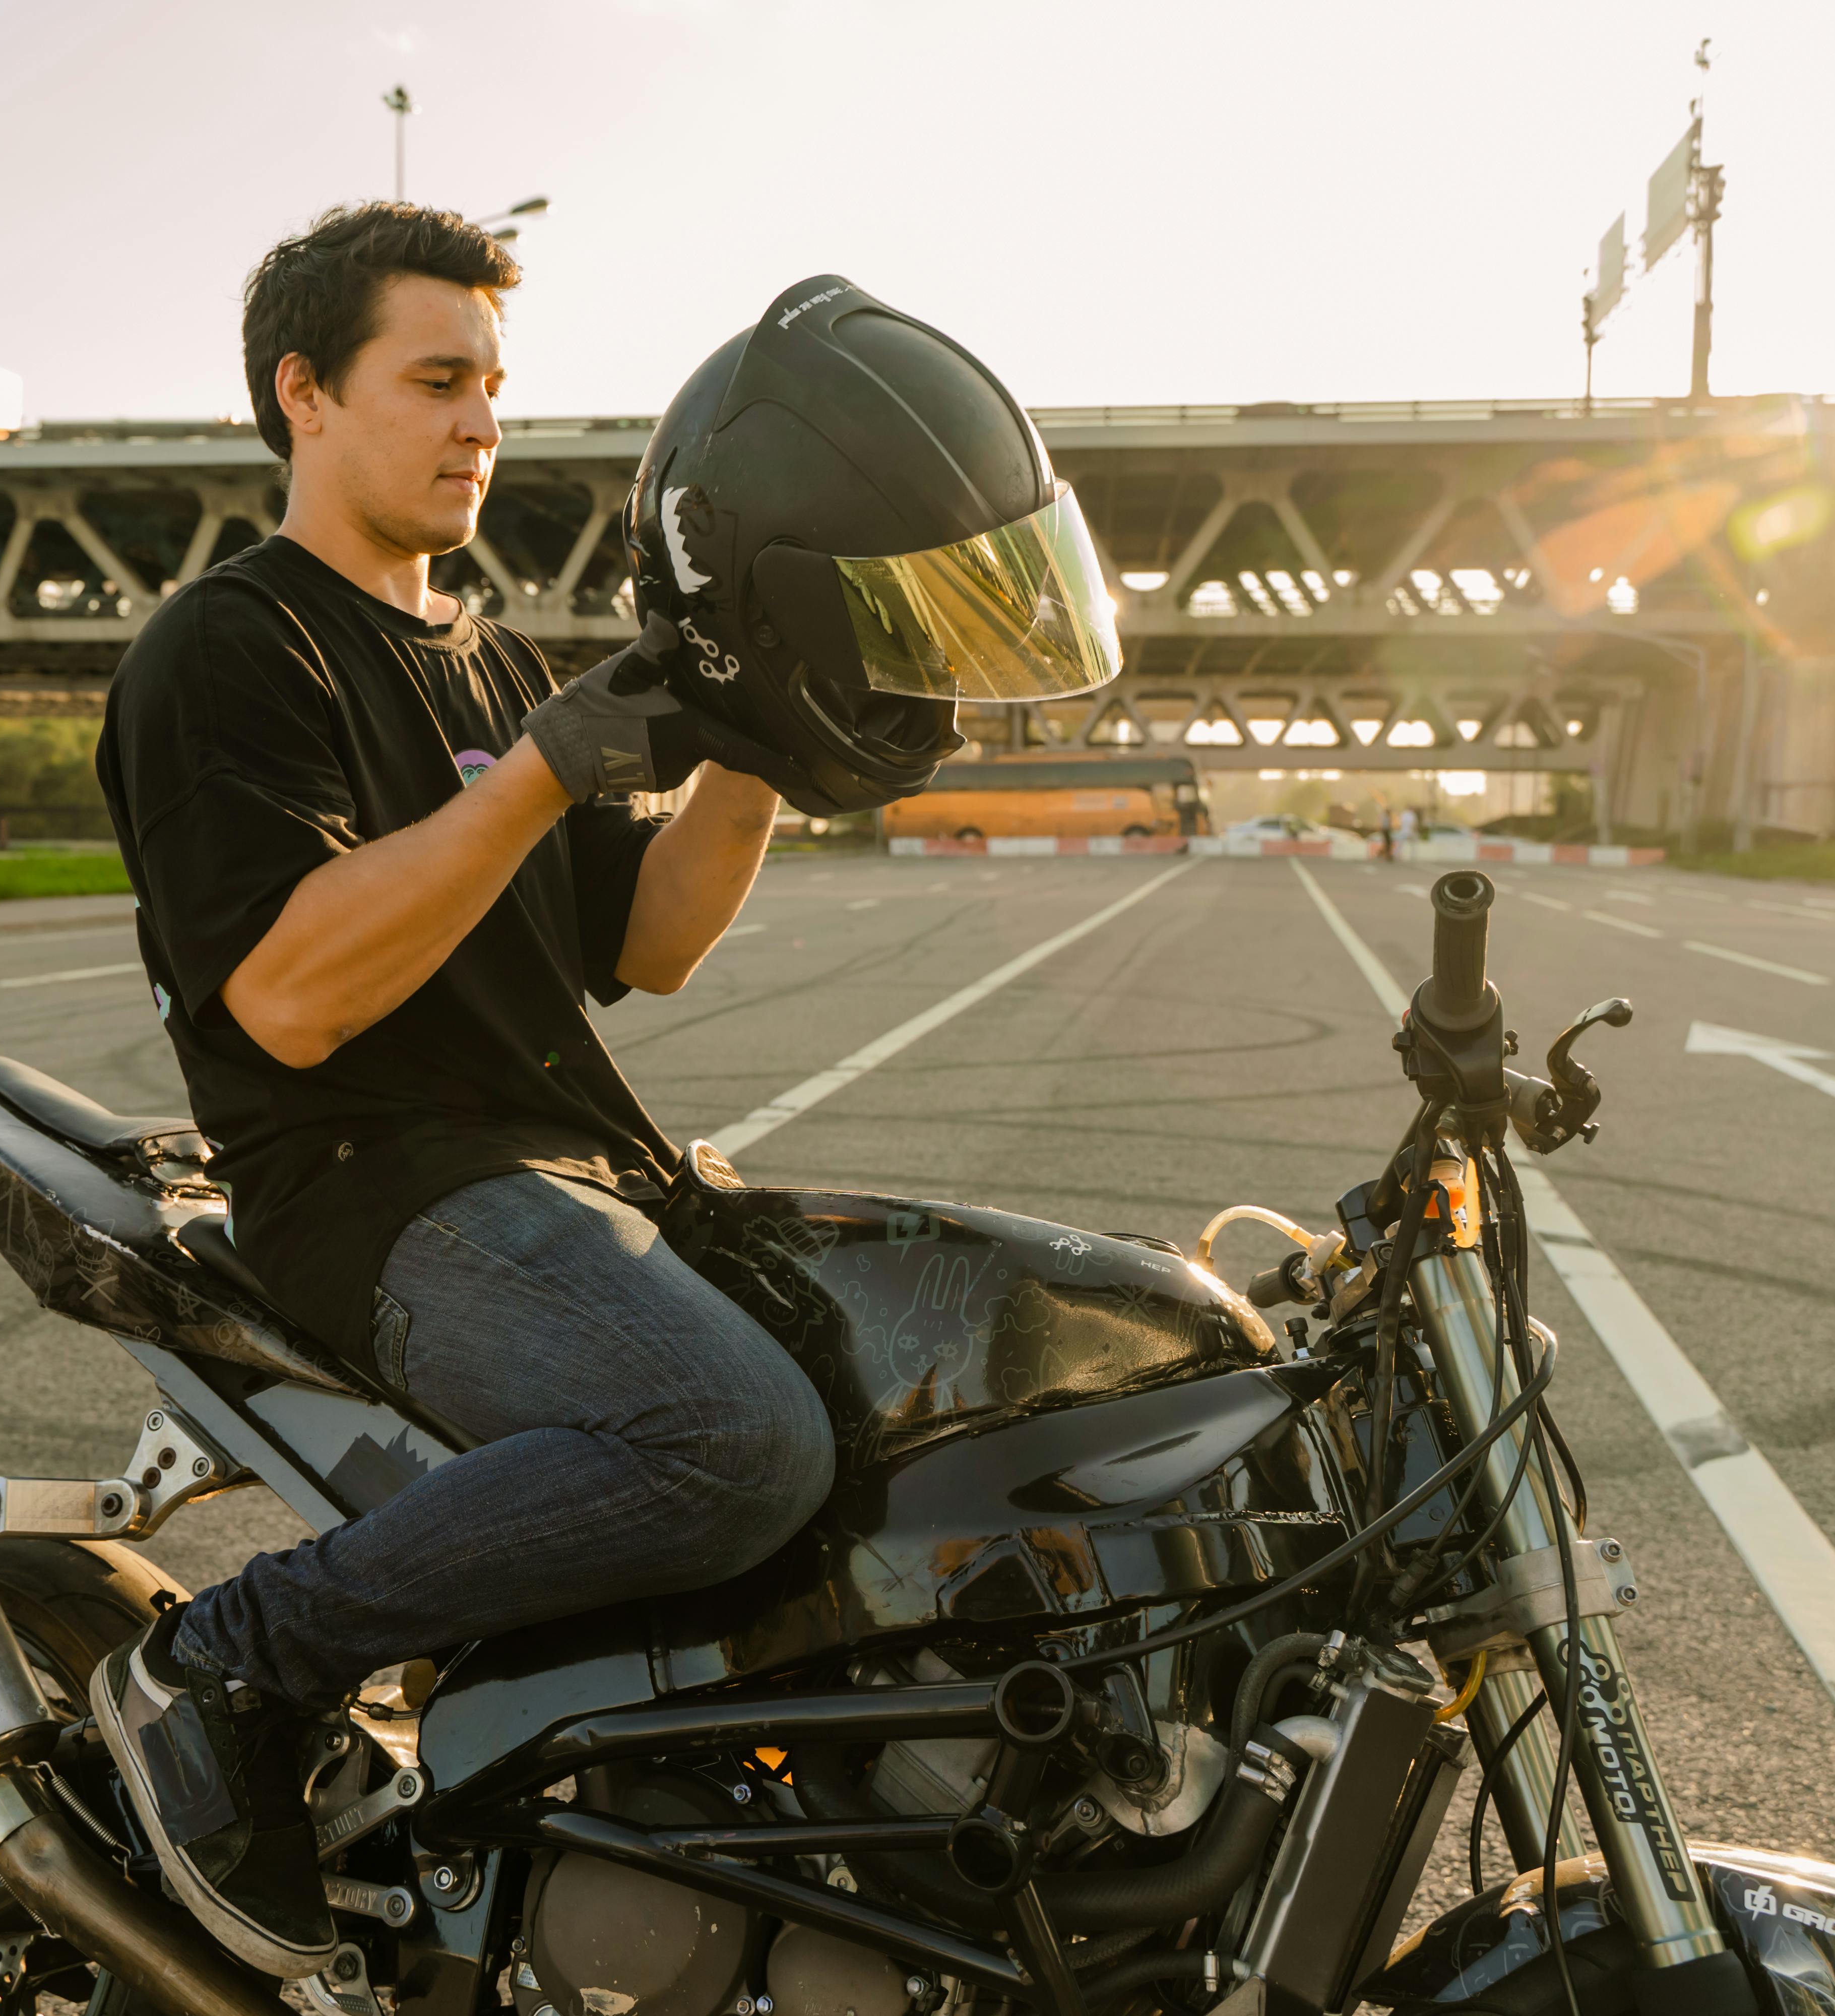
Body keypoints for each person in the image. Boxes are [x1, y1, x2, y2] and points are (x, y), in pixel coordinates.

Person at [91, 216, 1126, 1977]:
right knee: (730, 1441)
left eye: (493, 387)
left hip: (572, 1171)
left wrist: (762, 749)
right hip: (377, 1190)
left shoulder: (491, 664)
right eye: (435, 381)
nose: (479, 423)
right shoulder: (232, 649)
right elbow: (291, 992)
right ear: (302, 395)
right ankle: (230, 1663)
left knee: (941, 1384)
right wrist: (551, 767)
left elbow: (637, 943)